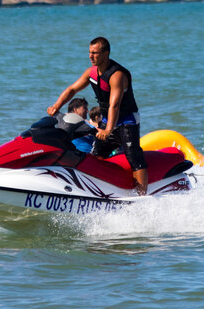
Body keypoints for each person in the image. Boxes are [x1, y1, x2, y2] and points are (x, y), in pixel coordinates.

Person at [48, 37, 148, 195]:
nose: (90, 56)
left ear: (106, 54)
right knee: (96, 156)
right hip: (108, 120)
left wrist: (108, 130)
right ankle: (95, 190)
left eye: (95, 53)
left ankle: (142, 195)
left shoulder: (117, 75)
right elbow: (72, 90)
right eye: (89, 52)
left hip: (127, 120)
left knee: (133, 155)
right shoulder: (91, 73)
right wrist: (56, 106)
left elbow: (114, 105)